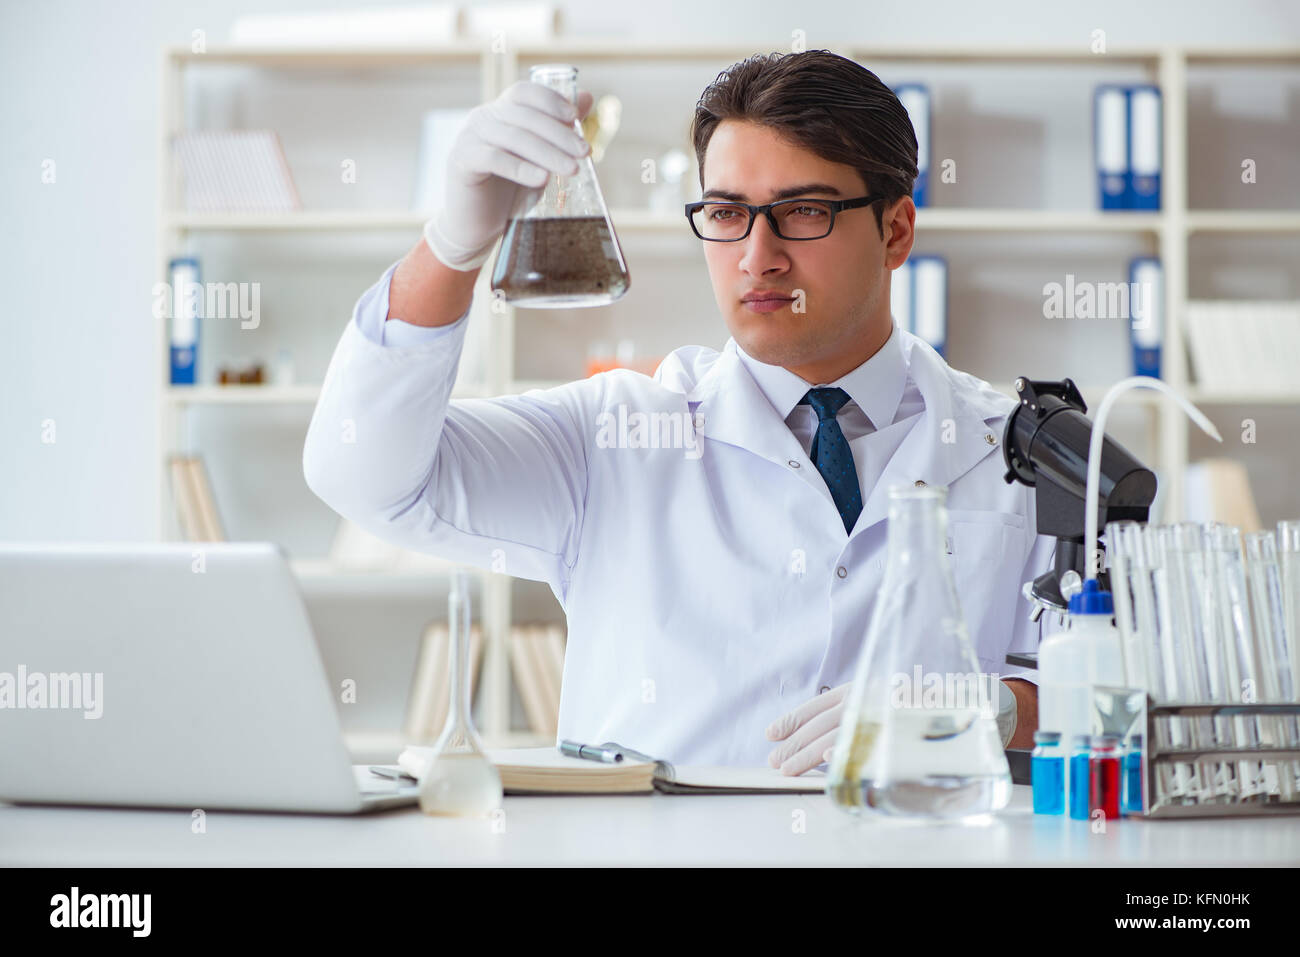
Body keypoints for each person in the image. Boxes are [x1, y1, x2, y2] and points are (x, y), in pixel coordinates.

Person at [303, 50, 1056, 774]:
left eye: (802, 211)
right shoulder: (613, 439)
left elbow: (1116, 686)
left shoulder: (1022, 452)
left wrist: (986, 706)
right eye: (727, 213)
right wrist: (454, 244)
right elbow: (364, 475)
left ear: (895, 230)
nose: (757, 256)